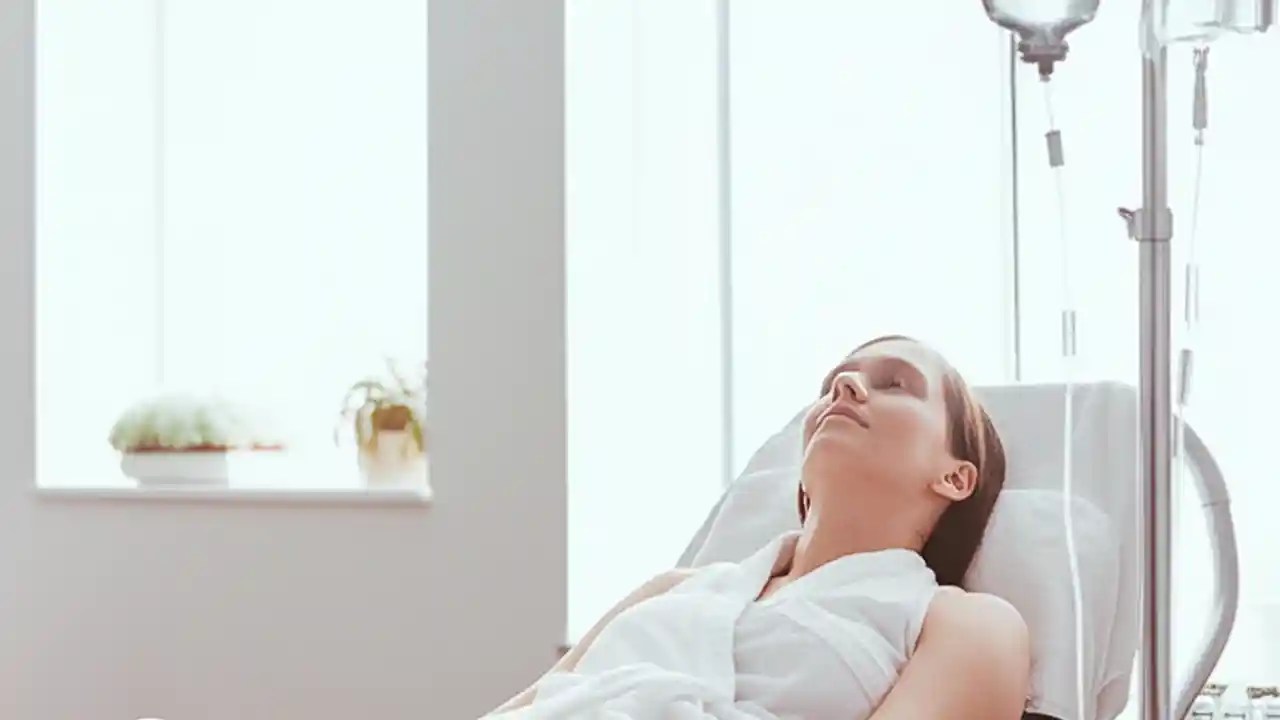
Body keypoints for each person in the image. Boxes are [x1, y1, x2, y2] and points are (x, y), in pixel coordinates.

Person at [491, 335, 1030, 719]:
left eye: (895, 384)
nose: (845, 385)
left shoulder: (963, 622)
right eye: (831, 384)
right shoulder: (674, 588)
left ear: (955, 477)